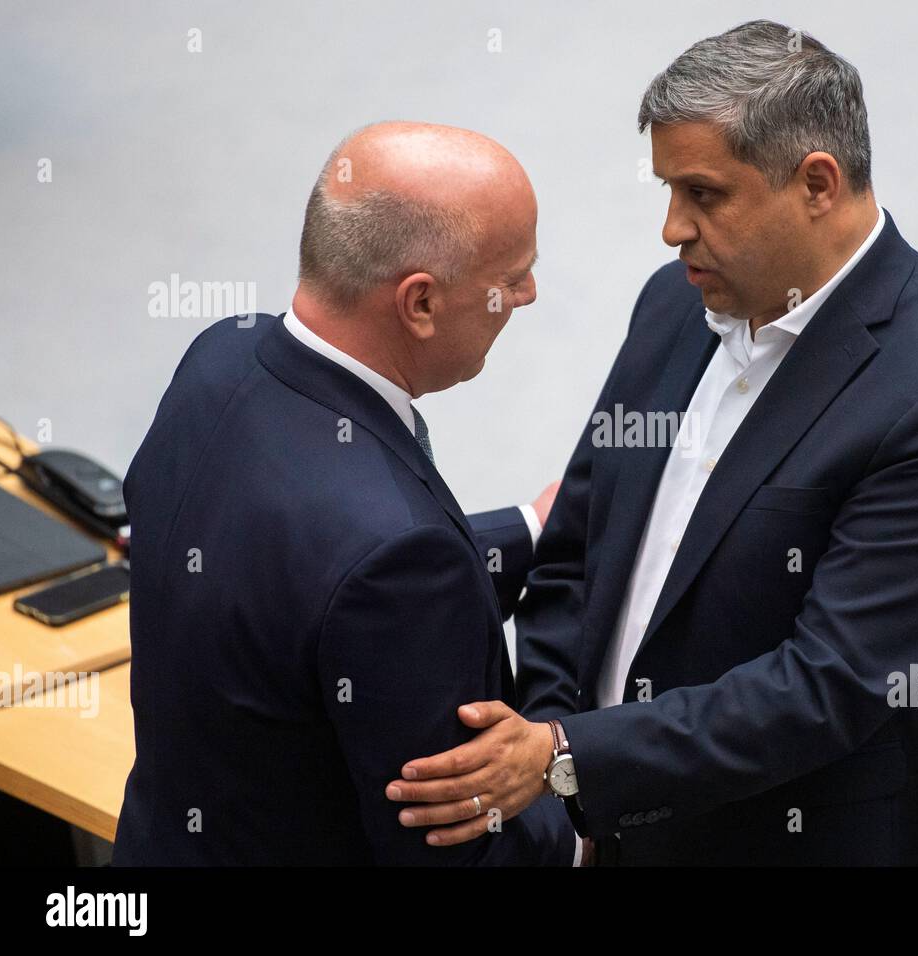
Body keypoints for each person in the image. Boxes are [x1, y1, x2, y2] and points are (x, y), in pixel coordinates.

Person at [387, 21, 918, 866]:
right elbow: (573, 559)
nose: (672, 229)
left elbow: (827, 685)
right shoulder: (674, 308)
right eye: (667, 191)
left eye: (703, 195)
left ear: (817, 183)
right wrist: (562, 752)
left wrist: (565, 761)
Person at [113, 121, 581, 865]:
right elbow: (452, 852)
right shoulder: (397, 559)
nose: (528, 294)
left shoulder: (220, 357)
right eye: (511, 276)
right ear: (419, 303)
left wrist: (529, 527)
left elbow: (303, 572)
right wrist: (582, 834)